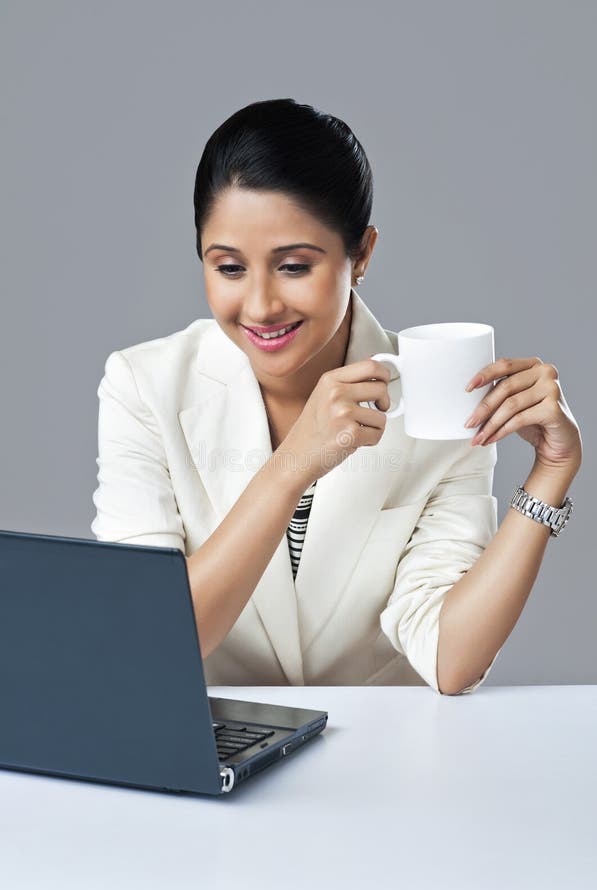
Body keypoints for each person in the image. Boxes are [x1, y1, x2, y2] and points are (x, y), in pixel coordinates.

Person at [91, 98, 583, 695]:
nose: (261, 305)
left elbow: (450, 659)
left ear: (362, 254)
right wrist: (292, 467)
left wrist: (551, 474)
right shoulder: (144, 385)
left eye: (294, 266)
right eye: (228, 268)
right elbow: (148, 639)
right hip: (215, 757)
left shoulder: (437, 399)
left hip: (377, 762)